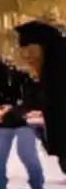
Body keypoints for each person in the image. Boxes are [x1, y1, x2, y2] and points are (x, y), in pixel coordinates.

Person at [0, 53, 46, 189]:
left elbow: (32, 97)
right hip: (1, 123)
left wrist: (14, 108)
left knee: (27, 154)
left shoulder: (19, 76)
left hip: (23, 120)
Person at [14, 20, 65, 177]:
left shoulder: (58, 65)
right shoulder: (49, 65)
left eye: (30, 51)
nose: (27, 57)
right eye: (24, 52)